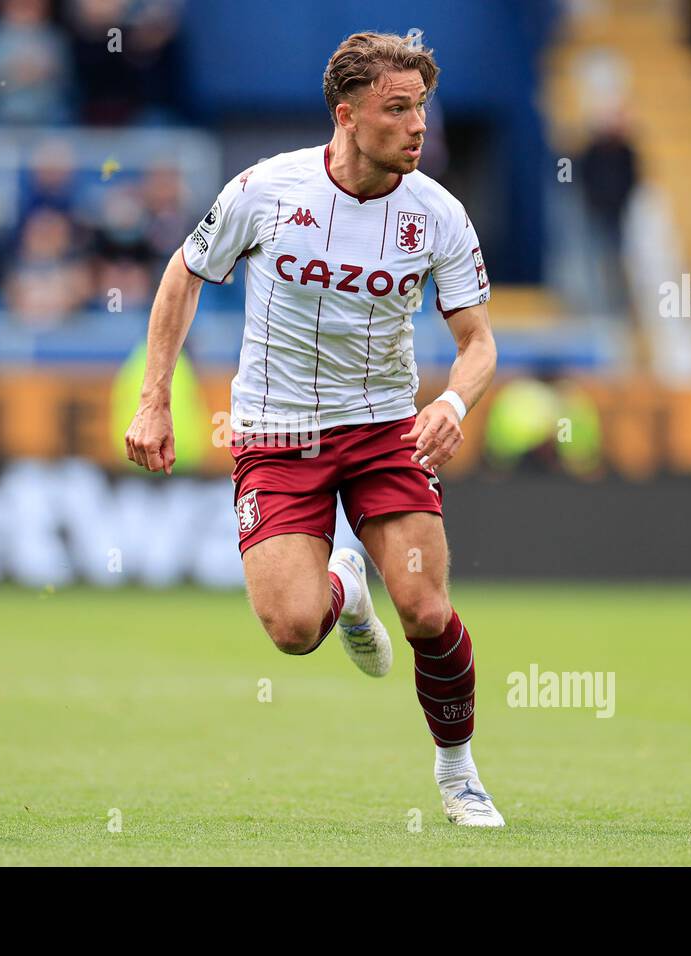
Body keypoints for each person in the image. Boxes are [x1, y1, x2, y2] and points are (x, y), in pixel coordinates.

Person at [123, 33, 502, 827]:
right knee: (294, 629)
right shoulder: (266, 190)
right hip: (276, 433)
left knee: (428, 611)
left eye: (421, 109)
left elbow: (478, 343)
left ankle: (459, 773)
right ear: (347, 114)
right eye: (397, 109)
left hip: (383, 433)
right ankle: (345, 590)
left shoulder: (437, 214)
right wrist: (155, 398)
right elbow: (182, 275)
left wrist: (453, 404)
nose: (415, 126)